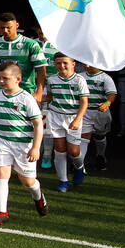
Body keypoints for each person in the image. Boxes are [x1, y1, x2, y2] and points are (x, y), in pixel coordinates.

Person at [0, 62, 47, 222]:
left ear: (18, 79)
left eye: (5, 78)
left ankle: (38, 196)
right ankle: (1, 213)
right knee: (1, 175)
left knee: (28, 181)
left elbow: (38, 124)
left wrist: (36, 148)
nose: (1, 81)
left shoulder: (27, 98)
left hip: (23, 144)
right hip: (1, 141)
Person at [44, 52, 89, 193]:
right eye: (58, 63)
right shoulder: (51, 80)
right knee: (59, 150)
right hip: (56, 116)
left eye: (65, 63)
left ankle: (78, 167)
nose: (62, 66)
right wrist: (37, 98)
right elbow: (51, 96)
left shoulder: (79, 80)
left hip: (73, 118)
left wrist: (77, 120)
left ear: (73, 64)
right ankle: (63, 181)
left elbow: (84, 103)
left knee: (74, 151)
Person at [0, 13, 48, 103]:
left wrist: (39, 93)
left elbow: (41, 69)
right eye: (2, 28)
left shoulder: (30, 44)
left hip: (25, 91)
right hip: (0, 92)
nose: (5, 30)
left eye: (9, 27)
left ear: (17, 25)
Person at [81, 65, 117, 171]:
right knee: (84, 137)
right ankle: (79, 164)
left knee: (100, 135)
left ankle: (100, 156)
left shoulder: (105, 78)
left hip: (99, 112)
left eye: (90, 63)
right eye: (85, 63)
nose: (87, 66)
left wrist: (108, 103)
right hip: (85, 111)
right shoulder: (80, 77)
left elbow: (112, 93)